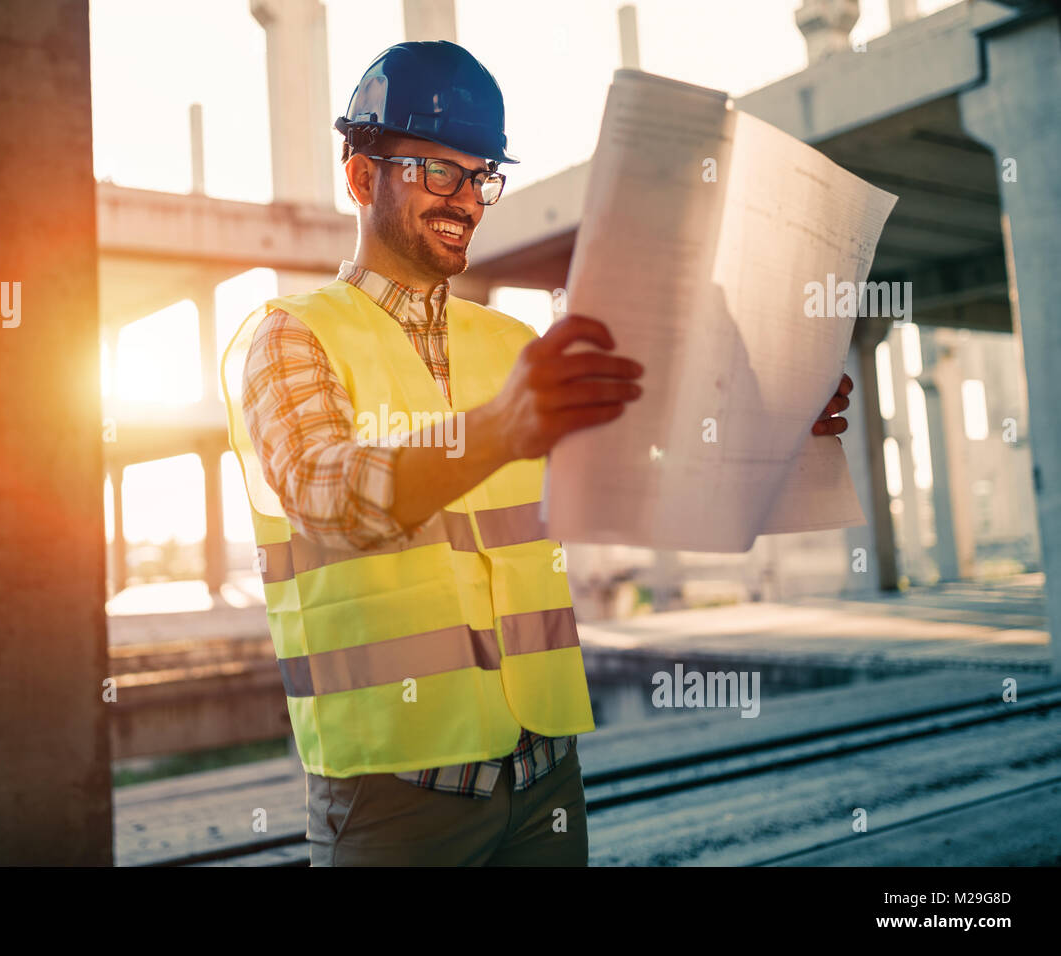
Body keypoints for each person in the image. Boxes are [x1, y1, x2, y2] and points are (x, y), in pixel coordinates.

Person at [220, 40, 852, 867]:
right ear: (362, 173)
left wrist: (773, 430)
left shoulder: (518, 345)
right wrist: (501, 428)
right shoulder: (291, 337)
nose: (469, 200)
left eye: (482, 176)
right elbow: (325, 493)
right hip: (396, 798)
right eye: (438, 171)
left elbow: (647, 472)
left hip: (547, 779)